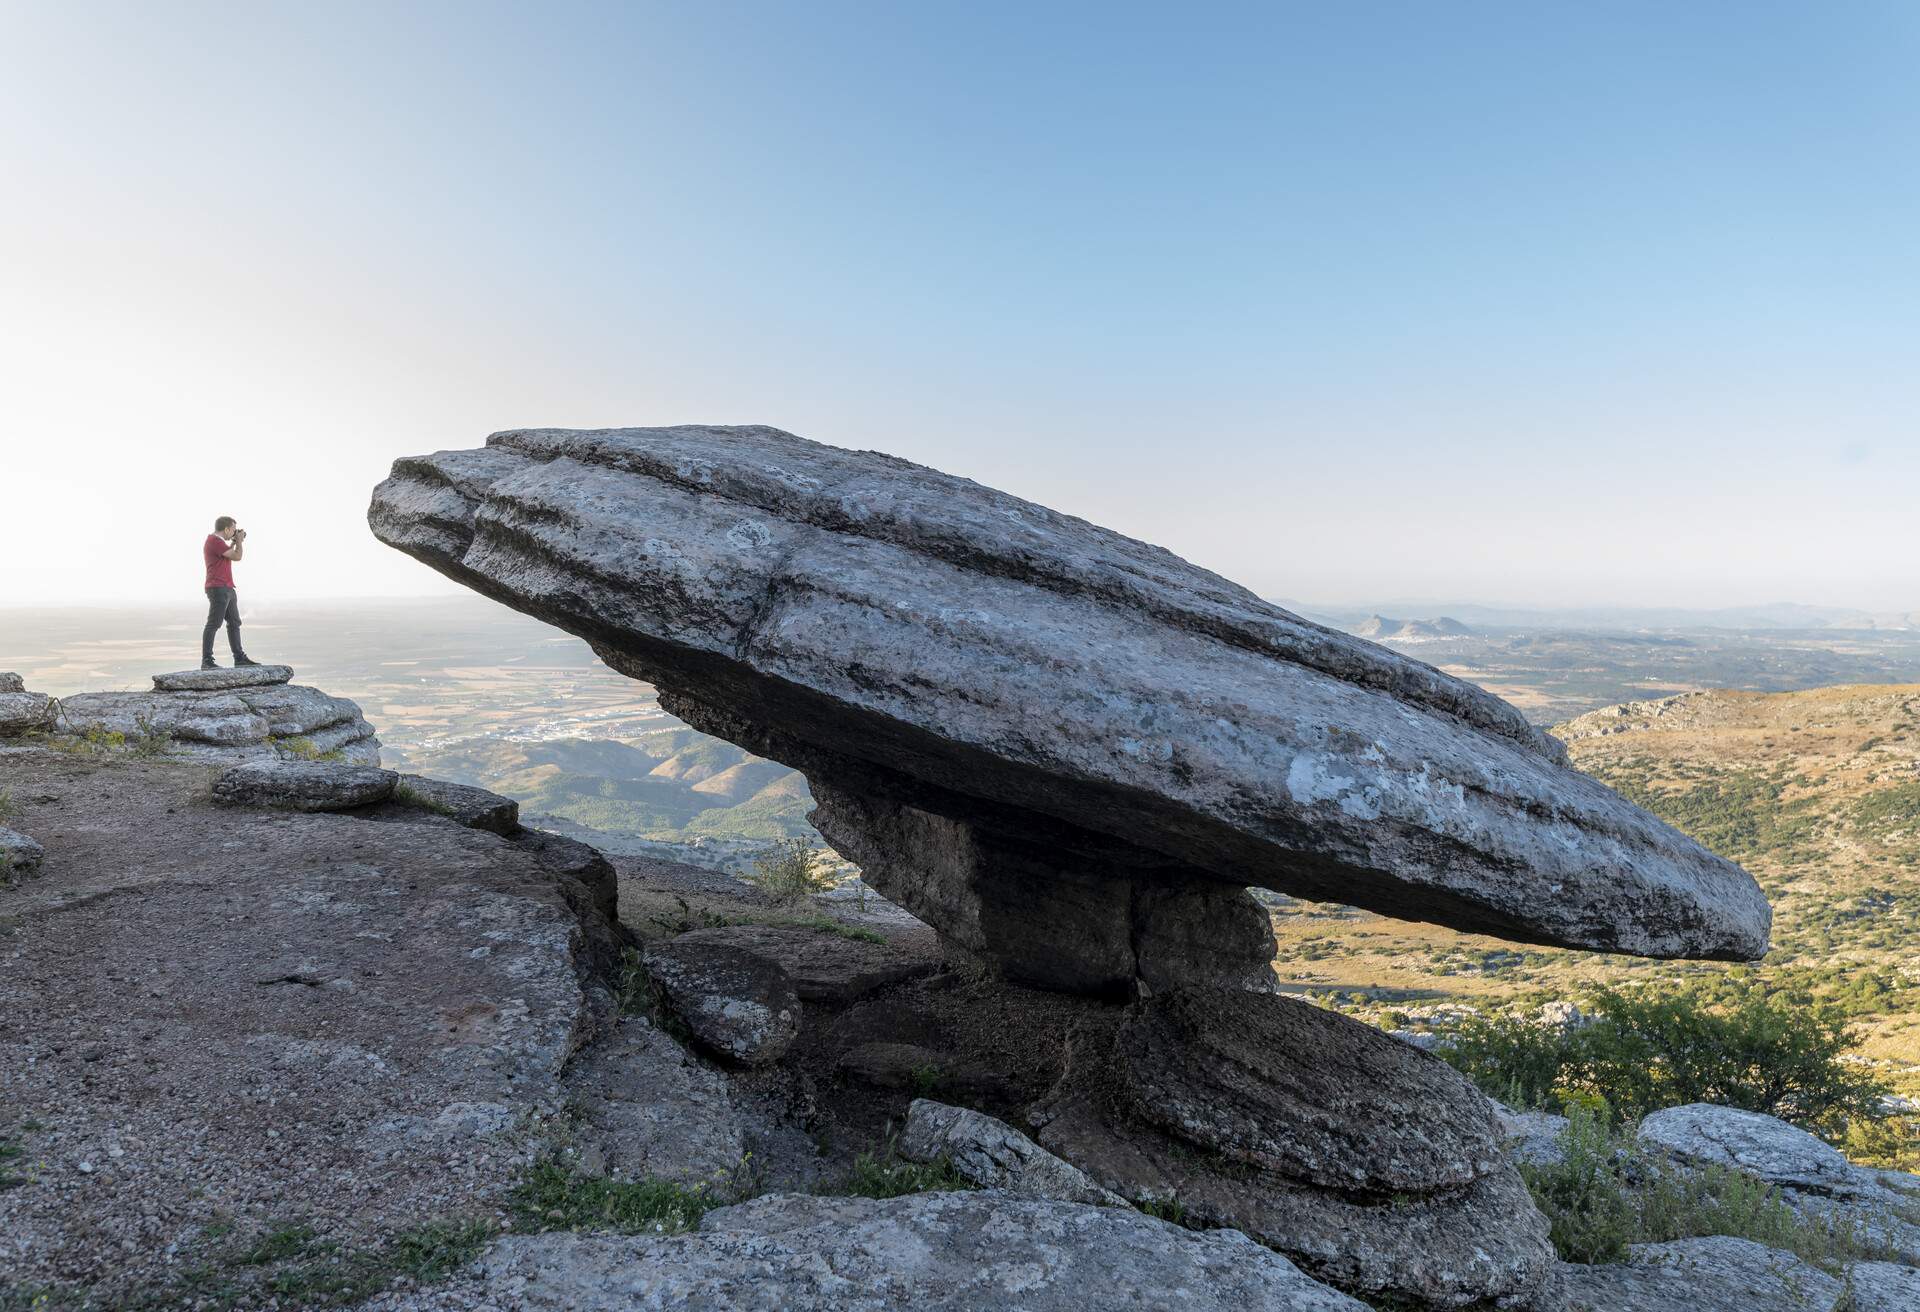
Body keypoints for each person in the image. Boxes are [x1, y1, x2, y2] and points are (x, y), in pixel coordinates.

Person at [202, 516, 262, 670]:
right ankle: (207, 661)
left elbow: (228, 553)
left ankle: (239, 658)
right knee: (214, 623)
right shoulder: (214, 541)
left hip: (227, 587)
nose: (235, 533)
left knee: (234, 622)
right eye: (233, 530)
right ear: (227, 529)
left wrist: (235, 542)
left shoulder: (218, 543)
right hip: (218, 587)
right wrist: (239, 542)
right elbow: (237, 556)